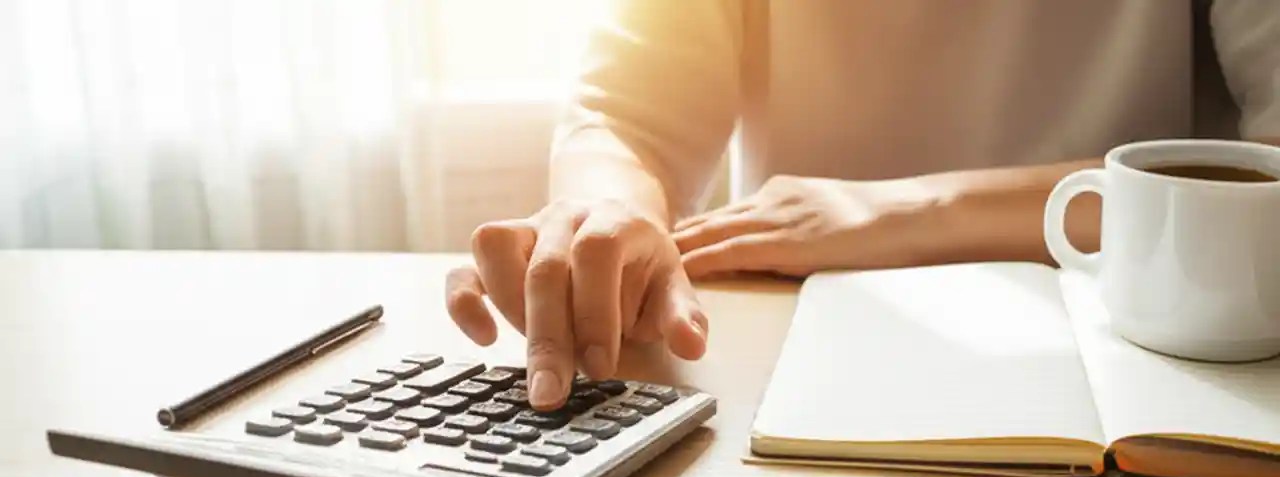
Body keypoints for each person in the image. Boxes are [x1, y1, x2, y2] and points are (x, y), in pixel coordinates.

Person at [445, 0, 1280, 410]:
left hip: (1149, 374)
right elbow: (626, 113)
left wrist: (909, 212)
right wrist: (602, 211)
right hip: (790, 354)